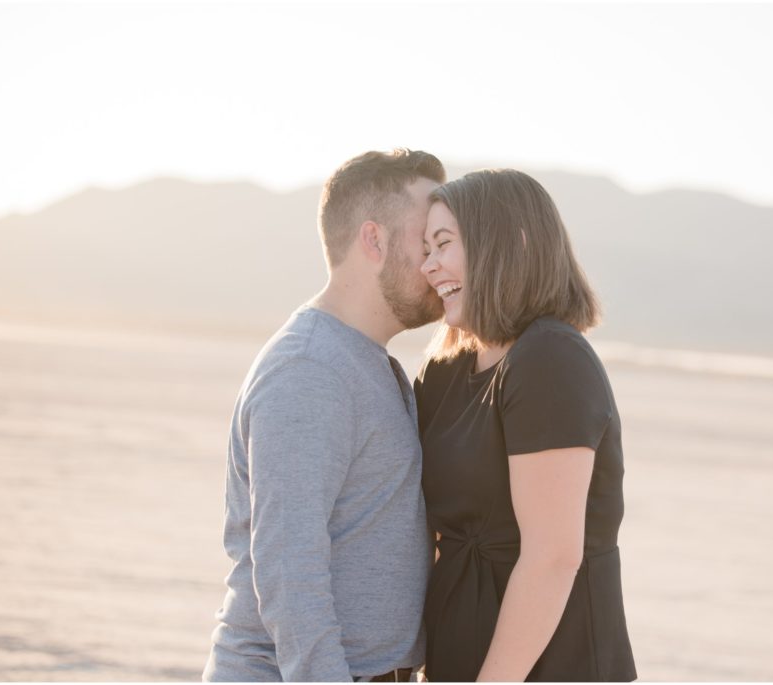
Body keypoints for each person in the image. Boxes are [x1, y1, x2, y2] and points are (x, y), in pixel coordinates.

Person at [203, 149, 445, 682]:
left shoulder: (366, 360)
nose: (436, 263)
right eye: (425, 241)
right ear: (374, 240)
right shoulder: (311, 369)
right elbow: (289, 569)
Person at [415, 169, 637, 681]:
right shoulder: (443, 370)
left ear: (508, 243)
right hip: (456, 657)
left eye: (443, 243)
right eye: (426, 248)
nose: (429, 265)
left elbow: (553, 557)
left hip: (554, 665)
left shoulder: (551, 358)